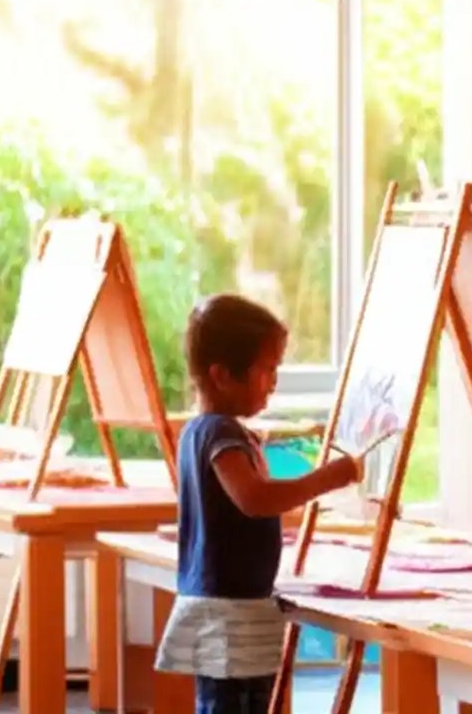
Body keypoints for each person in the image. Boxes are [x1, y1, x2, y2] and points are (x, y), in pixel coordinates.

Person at [155, 294, 367, 714]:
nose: (274, 382)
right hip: (229, 621)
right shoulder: (220, 434)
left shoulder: (201, 432)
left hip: (231, 614)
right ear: (222, 376)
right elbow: (254, 499)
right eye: (267, 370)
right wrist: (329, 477)